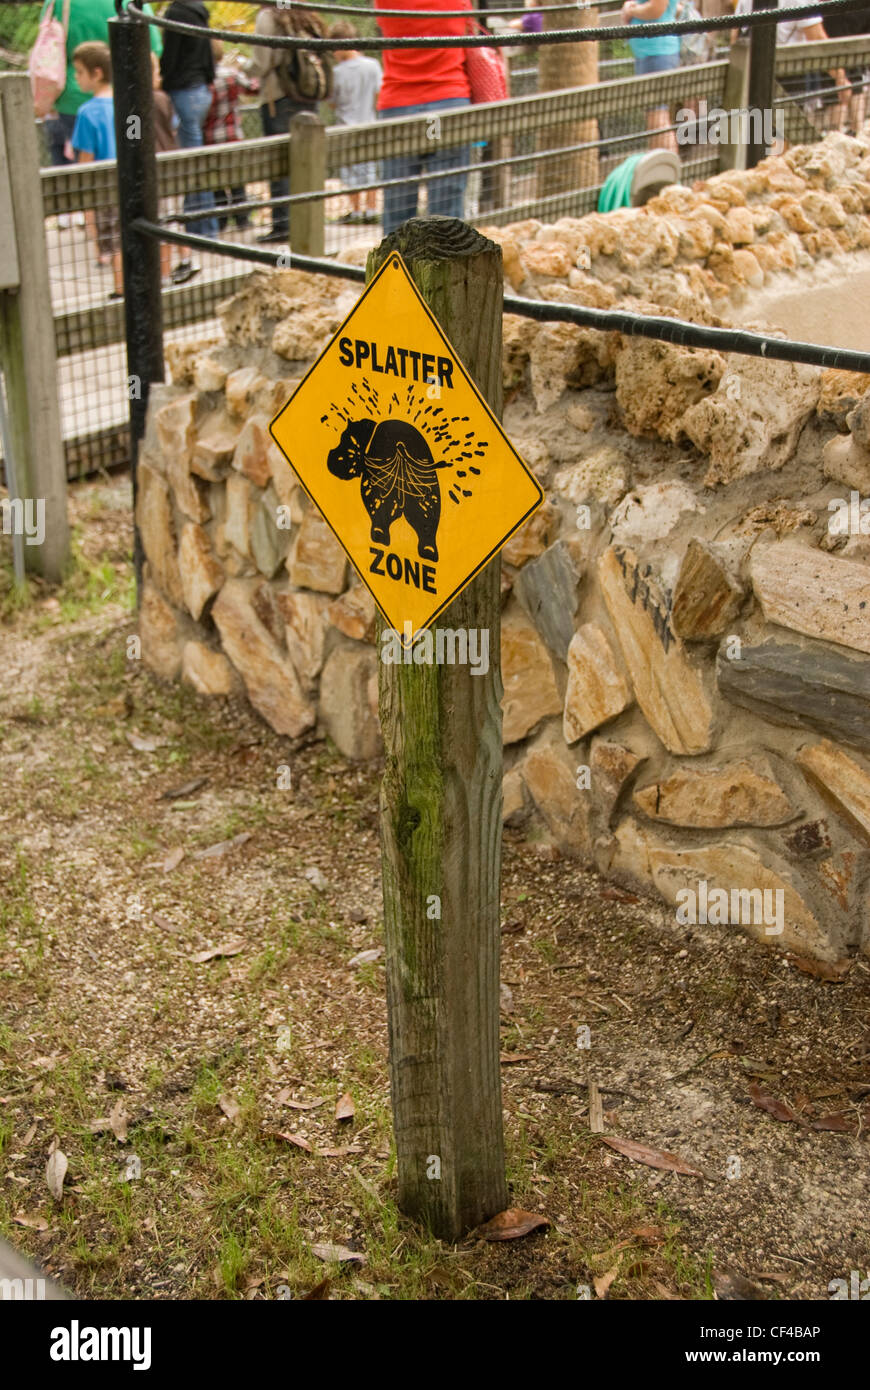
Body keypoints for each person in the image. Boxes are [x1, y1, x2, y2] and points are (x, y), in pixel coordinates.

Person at [43, 0, 161, 228]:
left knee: (91, 156)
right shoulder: (132, 4)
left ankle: (89, 220)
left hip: (72, 101)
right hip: (128, 98)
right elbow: (153, 47)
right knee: (131, 146)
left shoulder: (60, 3)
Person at [375, 0, 473, 235]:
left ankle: (396, 267)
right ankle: (444, 269)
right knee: (447, 214)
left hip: (398, 106)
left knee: (397, 211)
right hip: (450, 102)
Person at [251, 4, 330, 244]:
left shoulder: (268, 16)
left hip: (279, 97)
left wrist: (243, 67)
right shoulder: (309, 17)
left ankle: (283, 224)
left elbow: (261, 62)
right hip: (306, 96)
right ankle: (309, 221)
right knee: (306, 159)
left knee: (280, 162)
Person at [732, 0, 848, 148]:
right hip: (786, 77)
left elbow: (735, 36)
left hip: (749, 74)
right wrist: (840, 77)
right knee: (780, 142)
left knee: (757, 139)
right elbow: (817, 39)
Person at [160, 0, 218, 254]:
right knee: (196, 160)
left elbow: (170, 56)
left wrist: (162, 80)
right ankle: (199, 226)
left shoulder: (176, 12)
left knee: (191, 163)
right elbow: (209, 51)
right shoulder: (199, 10)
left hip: (183, 90)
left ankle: (203, 230)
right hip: (200, 89)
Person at [69, 41, 122, 299]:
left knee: (115, 243)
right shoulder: (127, 106)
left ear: (96, 73)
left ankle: (121, 290)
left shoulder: (87, 113)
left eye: (79, 72)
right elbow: (134, 140)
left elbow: (86, 156)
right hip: (127, 179)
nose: (76, 78)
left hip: (104, 186)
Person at [329, 21, 382, 225]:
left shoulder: (337, 73)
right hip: (369, 123)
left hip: (345, 126)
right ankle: (371, 209)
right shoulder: (373, 65)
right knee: (369, 167)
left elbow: (332, 103)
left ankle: (356, 210)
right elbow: (379, 93)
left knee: (349, 169)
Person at [204, 41, 259, 233]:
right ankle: (242, 219)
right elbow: (254, 88)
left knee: (216, 181)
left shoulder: (203, 79)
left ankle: (221, 221)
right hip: (232, 134)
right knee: (237, 178)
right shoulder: (232, 76)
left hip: (210, 137)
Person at [620, 0, 680, 151]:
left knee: (658, 117)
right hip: (649, 53)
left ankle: (671, 171)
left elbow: (656, 9)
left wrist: (632, 11)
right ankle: (658, 171)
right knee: (654, 118)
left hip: (657, 52)